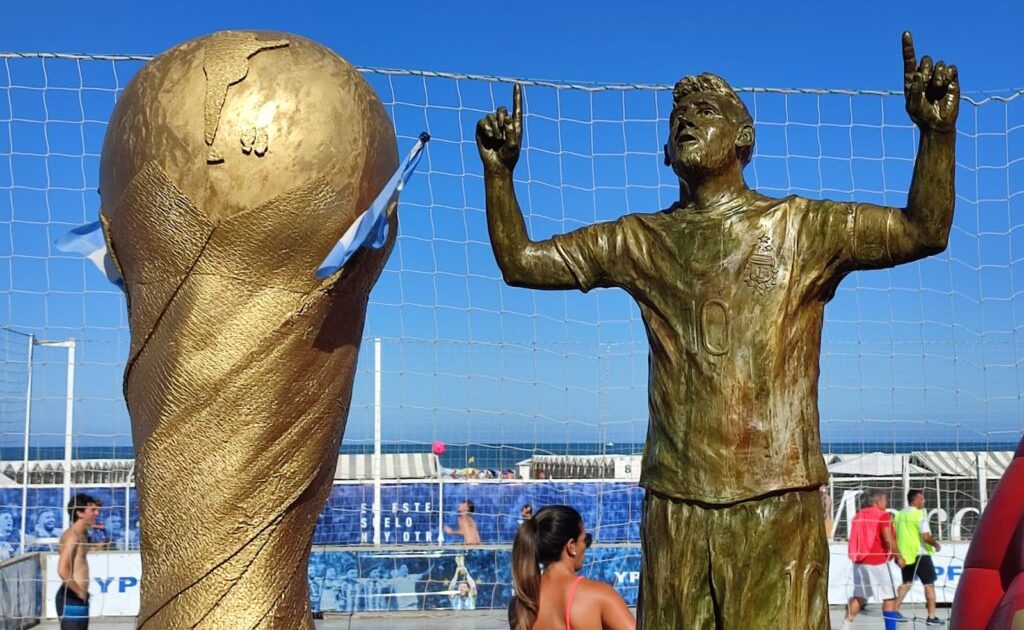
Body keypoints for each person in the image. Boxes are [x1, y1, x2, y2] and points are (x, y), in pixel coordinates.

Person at [477, 32, 957, 629]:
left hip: (778, 499)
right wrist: (499, 176)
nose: (687, 119)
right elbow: (521, 261)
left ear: (743, 137)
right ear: (663, 151)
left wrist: (936, 136)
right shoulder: (639, 240)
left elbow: (923, 230)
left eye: (706, 111)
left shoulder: (799, 226)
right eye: (678, 114)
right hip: (677, 504)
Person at [509, 505, 634, 630]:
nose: (586, 546)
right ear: (571, 546)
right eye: (586, 540)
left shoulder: (520, 604)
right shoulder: (598, 595)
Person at [841, 490, 904, 630]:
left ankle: (846, 626)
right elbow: (888, 539)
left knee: (859, 597)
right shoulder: (883, 516)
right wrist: (899, 555)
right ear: (877, 501)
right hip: (879, 562)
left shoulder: (858, 515)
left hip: (860, 562)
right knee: (890, 598)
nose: (886, 503)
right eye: (885, 500)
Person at [894, 489, 944, 625]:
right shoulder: (919, 515)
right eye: (922, 499)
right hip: (920, 553)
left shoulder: (899, 514)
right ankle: (932, 617)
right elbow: (926, 536)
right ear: (914, 500)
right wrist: (936, 544)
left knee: (907, 583)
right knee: (929, 584)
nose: (924, 501)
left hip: (906, 554)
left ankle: (893, 610)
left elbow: (894, 533)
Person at [56, 493, 103, 629]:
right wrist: (79, 591)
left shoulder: (83, 535)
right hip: (71, 597)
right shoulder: (72, 536)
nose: (97, 513)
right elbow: (62, 570)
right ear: (80, 513)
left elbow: (78, 560)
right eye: (93, 510)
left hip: (78, 598)